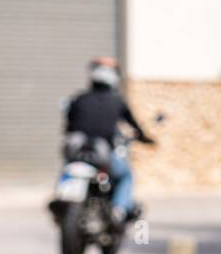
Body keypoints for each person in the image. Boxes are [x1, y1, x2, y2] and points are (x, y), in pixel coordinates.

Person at [64, 58, 154, 224]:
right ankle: (118, 209)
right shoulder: (117, 101)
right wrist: (145, 137)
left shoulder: (79, 99)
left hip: (76, 153)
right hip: (102, 155)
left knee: (67, 168)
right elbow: (134, 125)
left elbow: (68, 126)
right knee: (126, 175)